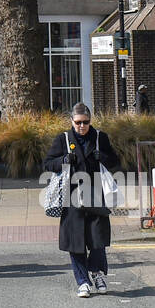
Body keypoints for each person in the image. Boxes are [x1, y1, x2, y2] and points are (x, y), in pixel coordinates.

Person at [43, 102, 122, 298]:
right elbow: (47, 163)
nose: (82, 126)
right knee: (75, 242)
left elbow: (115, 161)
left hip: (96, 196)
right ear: (71, 121)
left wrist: (101, 156)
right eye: (78, 122)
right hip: (72, 198)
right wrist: (62, 161)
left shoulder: (99, 137)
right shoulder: (63, 139)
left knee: (98, 239)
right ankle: (83, 281)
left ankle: (96, 273)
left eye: (85, 122)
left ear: (90, 121)